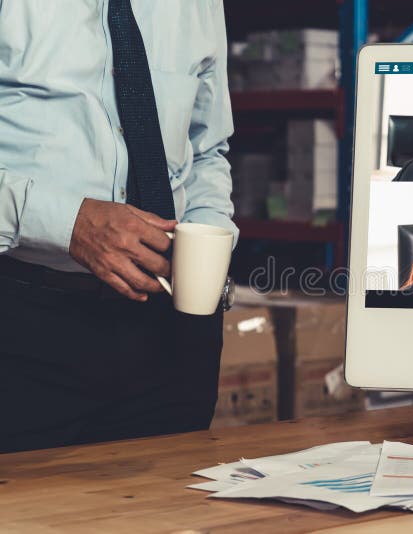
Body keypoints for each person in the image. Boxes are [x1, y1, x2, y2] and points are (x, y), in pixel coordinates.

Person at [0, 2, 237, 452]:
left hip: (172, 334)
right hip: (21, 326)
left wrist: (207, 243)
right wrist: (68, 223)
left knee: (166, 513)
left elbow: (207, 148)